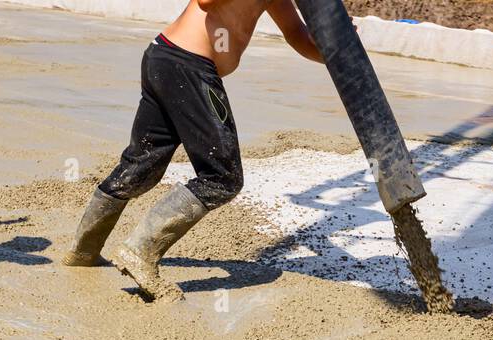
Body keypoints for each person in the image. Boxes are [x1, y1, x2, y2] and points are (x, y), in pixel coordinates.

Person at [62, 0, 326, 298]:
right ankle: (140, 250)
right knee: (223, 177)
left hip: (167, 59)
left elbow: (297, 34)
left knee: (141, 166)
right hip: (187, 64)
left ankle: (83, 252)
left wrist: (336, 51)